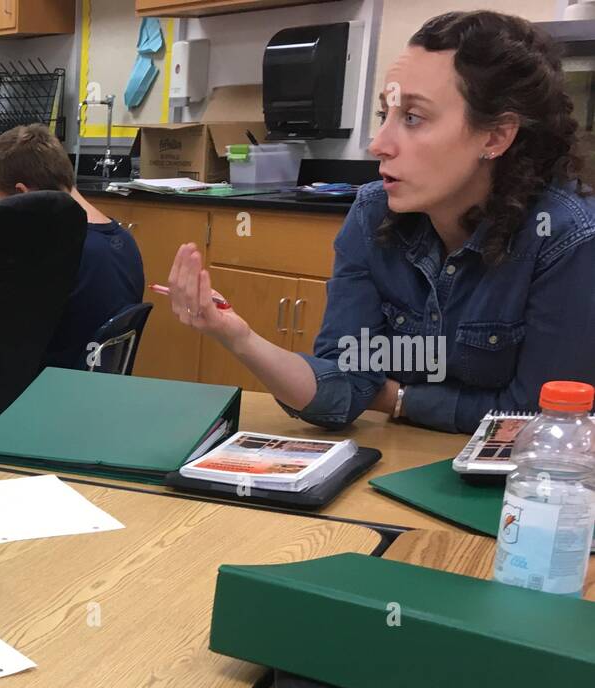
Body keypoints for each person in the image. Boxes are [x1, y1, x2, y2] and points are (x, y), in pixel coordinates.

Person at [164, 11, 595, 434]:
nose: (378, 144)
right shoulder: (374, 212)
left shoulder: (565, 235)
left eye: (412, 118)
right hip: (396, 463)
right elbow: (345, 384)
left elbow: (540, 423)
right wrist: (237, 337)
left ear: (496, 136)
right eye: (383, 115)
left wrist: (399, 399)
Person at [0, 123, 144, 372]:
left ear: (22, 196)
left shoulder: (58, 255)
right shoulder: (126, 241)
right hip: (98, 393)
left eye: (1, 208)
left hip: (50, 395)